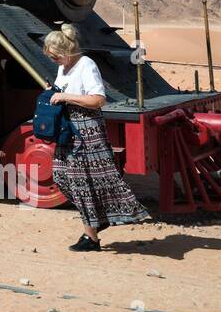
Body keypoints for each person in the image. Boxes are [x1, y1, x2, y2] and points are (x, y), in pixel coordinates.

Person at [44, 23, 151, 251]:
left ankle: (90, 236)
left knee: (83, 183)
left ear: (65, 52)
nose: (52, 60)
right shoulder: (64, 67)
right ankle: (97, 221)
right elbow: (66, 91)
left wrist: (66, 97)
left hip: (86, 130)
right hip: (68, 129)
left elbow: (98, 99)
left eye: (54, 56)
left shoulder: (85, 65)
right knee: (62, 177)